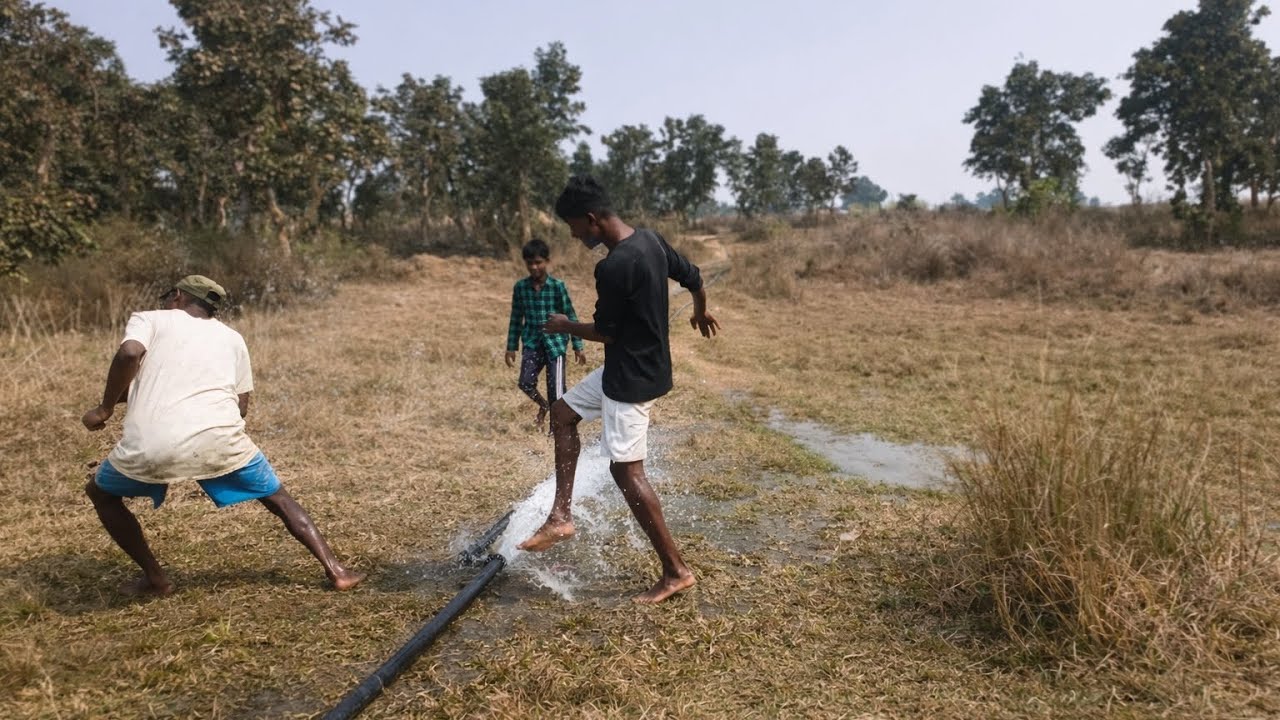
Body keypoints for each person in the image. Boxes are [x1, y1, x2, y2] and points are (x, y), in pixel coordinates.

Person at [81, 275, 365, 597]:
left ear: (177, 296)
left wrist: (104, 409)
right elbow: (241, 407)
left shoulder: (150, 319)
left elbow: (129, 354)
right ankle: (337, 571)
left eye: (166, 297)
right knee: (279, 499)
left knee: (101, 494)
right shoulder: (233, 338)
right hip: (220, 440)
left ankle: (156, 579)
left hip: (152, 444)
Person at [517, 176, 720, 604]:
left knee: (625, 471)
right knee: (563, 412)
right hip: (636, 366)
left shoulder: (612, 267)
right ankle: (561, 515)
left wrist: (564, 326)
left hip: (631, 379)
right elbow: (695, 277)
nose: (574, 236)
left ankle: (676, 571)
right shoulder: (651, 240)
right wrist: (700, 312)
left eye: (574, 227)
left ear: (592, 219)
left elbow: (606, 333)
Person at [505, 238, 587, 432]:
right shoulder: (520, 288)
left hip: (555, 344)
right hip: (532, 342)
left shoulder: (557, 287)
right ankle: (543, 406)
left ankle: (556, 430)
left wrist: (577, 345)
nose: (534, 267)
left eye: (538, 262)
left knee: (556, 391)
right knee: (525, 382)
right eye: (530, 263)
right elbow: (516, 317)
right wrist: (511, 346)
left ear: (547, 261)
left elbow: (570, 315)